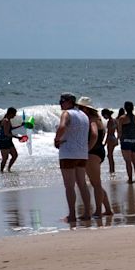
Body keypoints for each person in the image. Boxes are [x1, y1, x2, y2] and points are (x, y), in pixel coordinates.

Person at [53, 93, 93, 222]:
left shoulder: (66, 113)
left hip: (68, 153)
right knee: (82, 184)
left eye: (62, 101)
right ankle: (87, 213)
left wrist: (56, 140)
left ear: (70, 102)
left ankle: (72, 215)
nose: (60, 103)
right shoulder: (84, 115)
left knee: (69, 186)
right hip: (82, 153)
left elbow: (62, 126)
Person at [77, 98, 113, 218]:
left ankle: (98, 211)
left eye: (80, 108)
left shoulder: (91, 120)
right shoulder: (97, 119)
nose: (78, 110)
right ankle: (107, 209)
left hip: (92, 153)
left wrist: (87, 149)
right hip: (98, 151)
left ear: (86, 109)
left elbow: (94, 134)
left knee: (96, 184)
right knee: (95, 183)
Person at [118, 101, 135, 183]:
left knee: (128, 162)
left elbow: (120, 131)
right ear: (133, 108)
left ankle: (130, 179)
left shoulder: (122, 118)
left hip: (126, 141)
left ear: (125, 108)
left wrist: (119, 139)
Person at [0, 107, 21, 172]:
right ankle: (1, 171)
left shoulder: (7, 120)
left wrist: (20, 125)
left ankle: (8, 169)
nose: (15, 115)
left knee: (15, 155)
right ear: (10, 113)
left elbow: (10, 128)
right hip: (3, 141)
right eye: (14, 114)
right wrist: (17, 137)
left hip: (8, 141)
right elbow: (6, 133)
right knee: (5, 158)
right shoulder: (6, 121)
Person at [101, 100, 120, 172]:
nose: (103, 117)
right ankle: (112, 169)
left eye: (103, 115)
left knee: (109, 156)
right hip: (114, 138)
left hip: (110, 139)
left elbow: (108, 133)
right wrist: (117, 139)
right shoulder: (115, 120)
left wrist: (105, 143)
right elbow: (118, 130)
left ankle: (112, 170)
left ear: (106, 114)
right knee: (110, 155)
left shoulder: (109, 122)